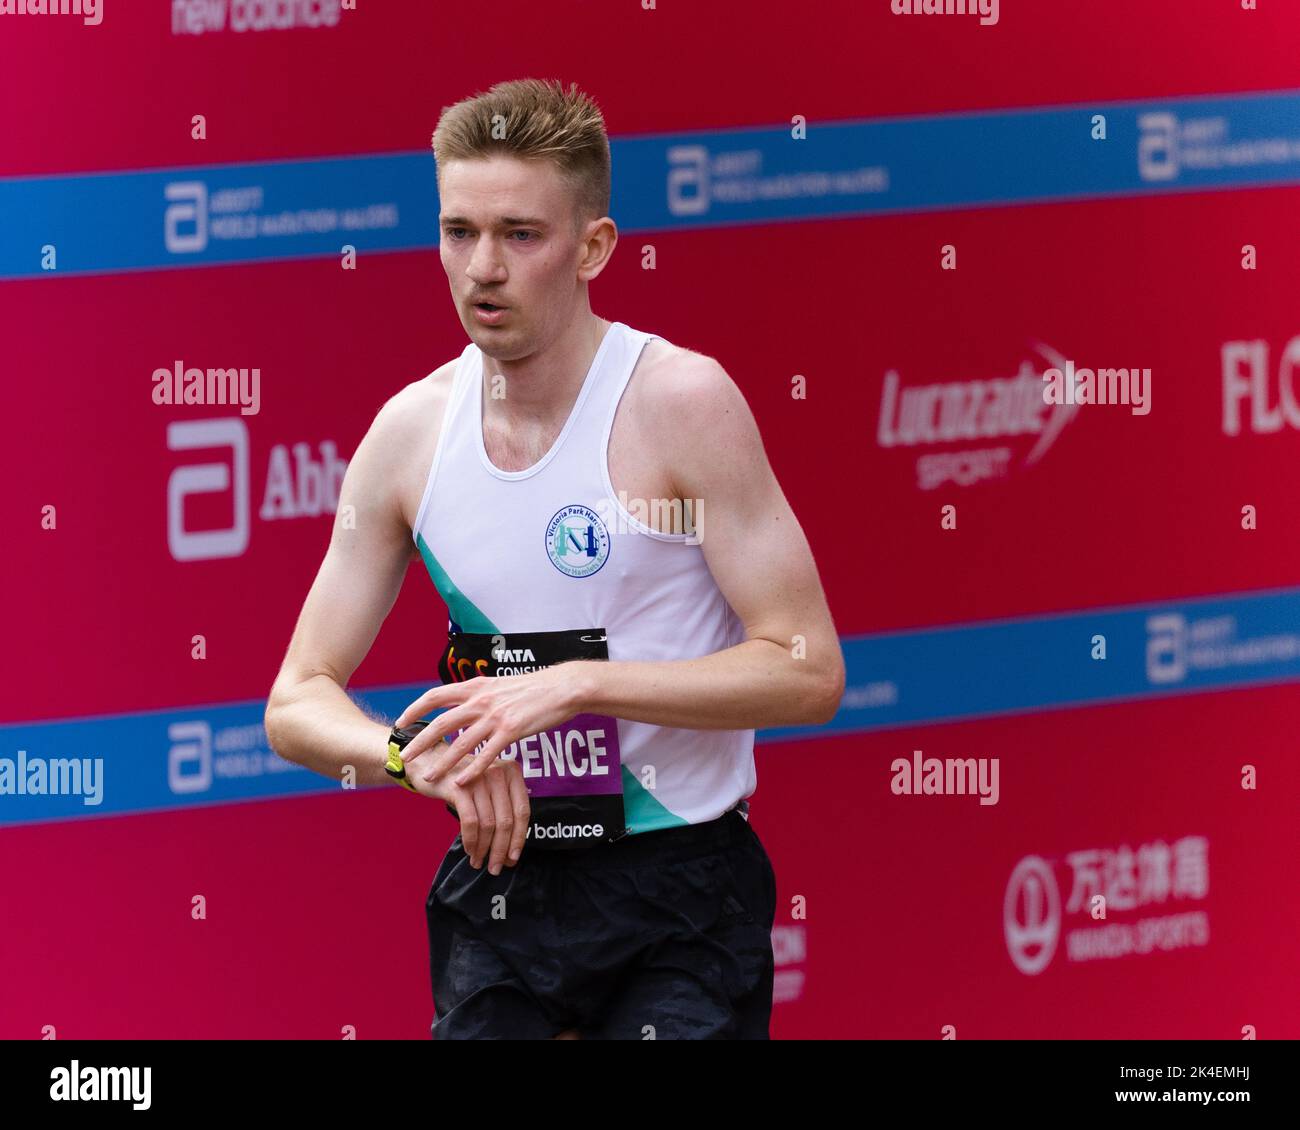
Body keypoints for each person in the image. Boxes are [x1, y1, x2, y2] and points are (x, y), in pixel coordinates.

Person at [264, 77, 844, 1040]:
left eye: (521, 235)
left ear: (593, 248)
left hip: (682, 891)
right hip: (501, 884)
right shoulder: (410, 433)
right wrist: (411, 759)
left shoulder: (681, 403)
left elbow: (808, 669)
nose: (482, 267)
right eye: (459, 231)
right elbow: (296, 700)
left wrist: (581, 686)